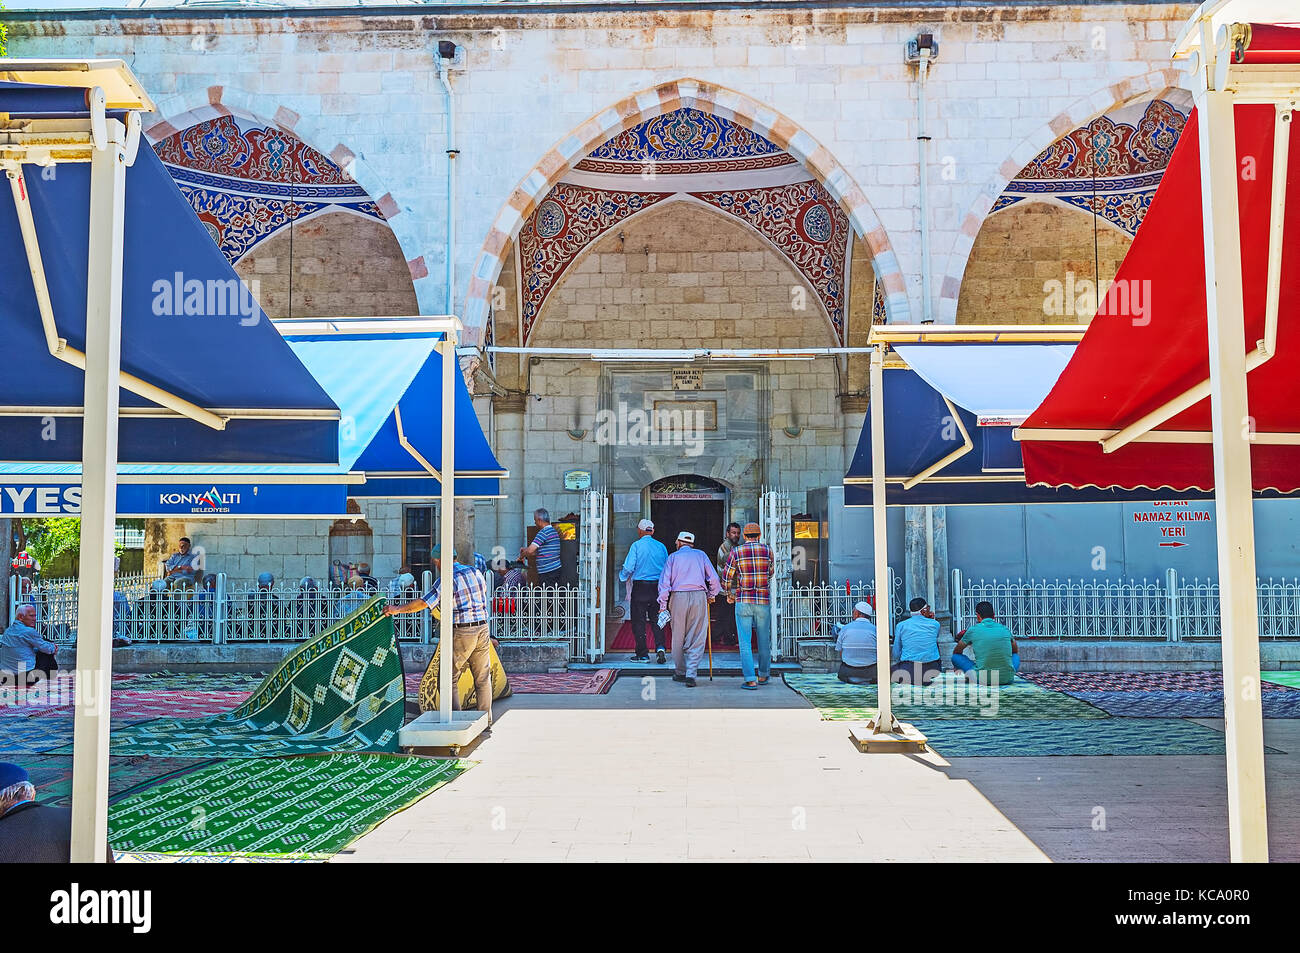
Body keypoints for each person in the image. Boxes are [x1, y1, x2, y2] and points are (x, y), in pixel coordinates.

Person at [385, 544, 494, 726]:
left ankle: (455, 720)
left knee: (447, 677)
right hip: (483, 627)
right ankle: (486, 721)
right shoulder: (475, 572)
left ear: (438, 560)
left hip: (463, 630)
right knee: (482, 678)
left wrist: (397, 609)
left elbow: (424, 603)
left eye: (435, 561)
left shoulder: (447, 578)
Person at [657, 531, 721, 688]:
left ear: (679, 542)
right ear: (691, 544)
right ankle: (691, 674)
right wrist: (711, 594)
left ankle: (680, 672)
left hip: (678, 597)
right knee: (698, 635)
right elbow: (714, 579)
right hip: (699, 596)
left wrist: (663, 605)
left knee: (677, 636)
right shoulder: (701, 555)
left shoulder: (673, 557)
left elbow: (664, 583)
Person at [723, 522, 774, 690]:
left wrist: (729, 594)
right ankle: (764, 675)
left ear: (744, 536)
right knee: (763, 640)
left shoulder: (736, 551)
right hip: (763, 600)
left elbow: (727, 576)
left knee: (744, 641)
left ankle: (751, 679)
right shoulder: (768, 550)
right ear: (759, 536)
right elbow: (771, 572)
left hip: (743, 599)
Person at [619, 518, 669, 663]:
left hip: (640, 587)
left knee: (639, 621)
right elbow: (667, 569)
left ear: (639, 531)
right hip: (657, 587)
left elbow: (628, 567)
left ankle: (643, 654)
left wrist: (622, 577)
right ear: (652, 531)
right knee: (657, 619)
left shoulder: (636, 545)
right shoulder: (661, 546)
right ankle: (660, 647)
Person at [951, 601, 1020, 686]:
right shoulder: (1005, 629)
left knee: (955, 657)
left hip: (982, 679)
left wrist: (957, 666)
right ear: (993, 615)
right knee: (1016, 656)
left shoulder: (973, 630)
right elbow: (1015, 650)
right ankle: (1007, 672)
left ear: (978, 616)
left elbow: (957, 651)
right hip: (1007, 679)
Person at [0, 604, 57, 684]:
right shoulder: (29, 631)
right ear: (20, 617)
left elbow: (24, 649)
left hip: (6, 677)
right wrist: (54, 647)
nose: (35, 619)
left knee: (42, 647)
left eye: (35, 616)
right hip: (24, 678)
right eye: (31, 616)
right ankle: (51, 678)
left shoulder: (7, 631)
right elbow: (47, 649)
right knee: (47, 651)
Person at [892, 597, 942, 685]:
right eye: (928, 609)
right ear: (923, 611)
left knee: (889, 672)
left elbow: (896, 653)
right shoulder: (935, 624)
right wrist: (932, 620)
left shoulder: (901, 625)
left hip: (908, 669)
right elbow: (933, 637)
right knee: (935, 643)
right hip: (931, 669)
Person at [835, 601, 879, 684]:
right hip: (871, 673)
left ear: (858, 614)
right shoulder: (876, 630)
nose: (852, 613)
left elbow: (840, 652)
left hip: (848, 672)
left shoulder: (845, 629)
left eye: (853, 611)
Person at [714, 522, 743, 646]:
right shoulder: (728, 548)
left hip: (727, 588)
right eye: (733, 533)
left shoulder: (733, 547)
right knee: (729, 617)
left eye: (737, 533)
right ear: (727, 534)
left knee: (724, 616)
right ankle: (728, 639)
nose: (736, 535)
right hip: (728, 589)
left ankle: (717, 637)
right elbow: (731, 570)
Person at [519, 508, 562, 586]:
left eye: (535, 520)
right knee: (550, 594)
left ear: (539, 520)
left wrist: (521, 556)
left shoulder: (543, 533)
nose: (535, 523)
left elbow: (530, 551)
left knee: (547, 595)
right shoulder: (553, 531)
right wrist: (526, 550)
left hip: (548, 571)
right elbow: (540, 552)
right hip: (554, 569)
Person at [246, 571, 281, 637]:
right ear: (272, 584)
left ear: (259, 585)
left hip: (253, 631)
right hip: (273, 632)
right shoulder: (276, 600)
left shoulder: (251, 597)